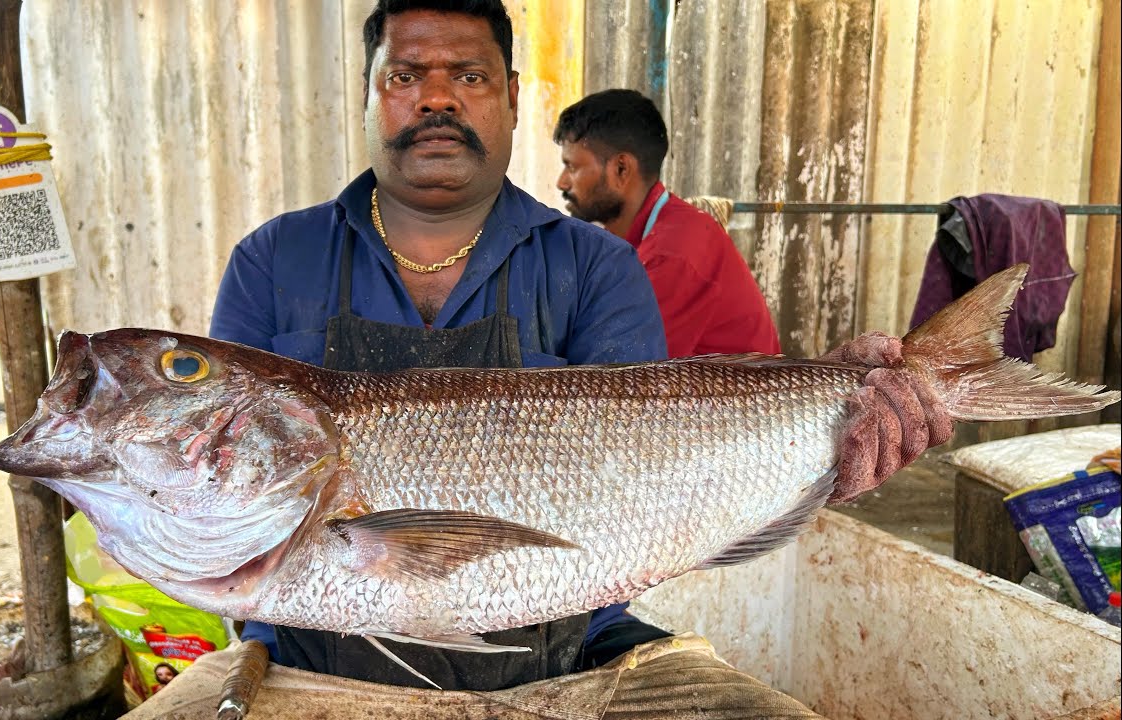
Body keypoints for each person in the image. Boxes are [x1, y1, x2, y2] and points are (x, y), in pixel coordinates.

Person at [205, 0, 948, 694]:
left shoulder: (596, 265)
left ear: (513, 97)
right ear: (367, 95)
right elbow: (218, 482)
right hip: (306, 657)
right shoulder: (272, 259)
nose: (437, 100)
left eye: (469, 76)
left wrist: (824, 439)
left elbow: (661, 472)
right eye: (405, 76)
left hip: (560, 652)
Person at [555, 88, 780, 358]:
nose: (562, 182)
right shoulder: (646, 235)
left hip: (737, 400)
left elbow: (624, 375)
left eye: (572, 167)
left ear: (621, 169)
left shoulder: (671, 255)